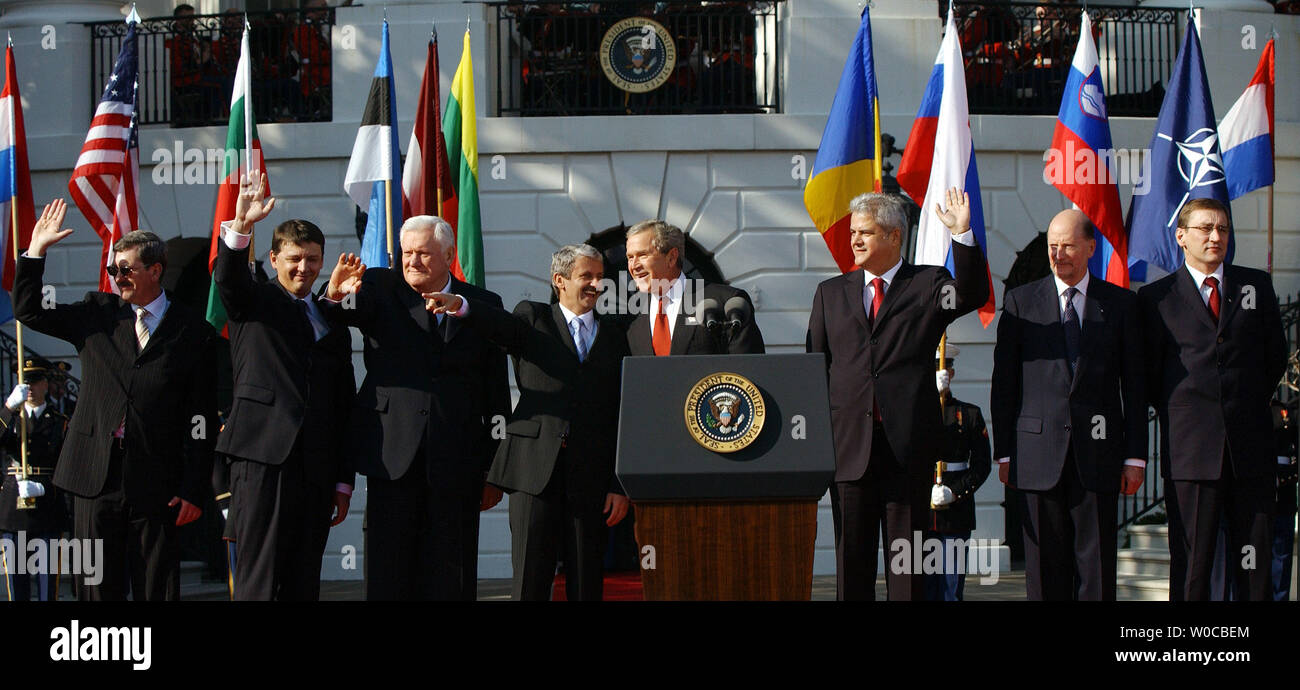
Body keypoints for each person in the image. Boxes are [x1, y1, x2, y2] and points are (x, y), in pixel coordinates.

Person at [14, 200, 218, 601]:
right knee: (96, 589)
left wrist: (194, 488)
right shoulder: (98, 312)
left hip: (157, 480)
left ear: (155, 270)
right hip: (93, 476)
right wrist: (36, 251)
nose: (117, 277)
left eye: (126, 269)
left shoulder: (192, 330)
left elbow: (201, 418)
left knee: (156, 585)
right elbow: (29, 311)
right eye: (113, 270)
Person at [807, 188, 988, 601]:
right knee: (852, 565)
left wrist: (963, 236)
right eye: (853, 232)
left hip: (907, 450)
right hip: (849, 450)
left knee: (908, 569)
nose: (854, 240)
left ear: (893, 236)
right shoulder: (830, 293)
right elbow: (815, 370)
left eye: (865, 232)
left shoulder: (927, 284)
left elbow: (973, 295)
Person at [427, 244, 631, 601]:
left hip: (591, 475)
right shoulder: (533, 318)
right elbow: (500, 326)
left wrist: (618, 483)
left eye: (601, 277)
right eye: (587, 276)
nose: (596, 284)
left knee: (587, 580)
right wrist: (462, 306)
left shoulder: (615, 335)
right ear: (559, 280)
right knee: (530, 578)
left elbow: (622, 411)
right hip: (534, 471)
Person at [326, 215, 510, 601]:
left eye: (423, 254)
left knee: (452, 573)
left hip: (457, 462)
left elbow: (495, 394)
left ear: (448, 255)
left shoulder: (482, 305)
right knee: (388, 571)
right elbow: (344, 315)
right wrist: (337, 295)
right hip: (392, 457)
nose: (412, 261)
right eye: (407, 253)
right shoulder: (380, 287)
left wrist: (495, 468)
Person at [212, 173, 356, 600]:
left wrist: (342, 481)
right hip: (263, 462)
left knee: (303, 579)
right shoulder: (254, 301)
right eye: (294, 258)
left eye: (313, 259)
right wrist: (240, 227)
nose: (303, 268)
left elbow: (341, 403)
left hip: (316, 470)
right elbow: (229, 281)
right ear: (273, 259)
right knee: (259, 580)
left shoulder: (330, 318)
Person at [991, 209, 1146, 601]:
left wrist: (1136, 457)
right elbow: (1005, 382)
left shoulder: (1122, 305)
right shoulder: (1020, 302)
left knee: (1096, 572)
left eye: (1069, 246)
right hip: (1036, 457)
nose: (1058, 254)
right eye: (1052, 247)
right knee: (1044, 573)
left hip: (1099, 456)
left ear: (1091, 248)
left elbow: (1136, 386)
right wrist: (1004, 451)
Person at [1138, 197, 1287, 601]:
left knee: (1253, 567)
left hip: (1250, 452)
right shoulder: (1155, 299)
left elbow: (1273, 357)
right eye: (1205, 228)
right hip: (1190, 452)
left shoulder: (1255, 286)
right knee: (1192, 568)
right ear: (1181, 237)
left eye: (1222, 228)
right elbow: (1148, 375)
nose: (1216, 236)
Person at [623, 219, 764, 356]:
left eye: (642, 255)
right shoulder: (631, 316)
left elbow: (747, 370)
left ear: (671, 257)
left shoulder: (728, 303)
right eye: (630, 257)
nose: (634, 266)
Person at [0, 358, 70, 601]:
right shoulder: (11, 419)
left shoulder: (60, 422)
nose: (30, 387)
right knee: (16, 588)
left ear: (45, 383)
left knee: (47, 587)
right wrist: (8, 407)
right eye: (25, 381)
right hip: (14, 511)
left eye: (36, 380)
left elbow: (70, 467)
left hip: (48, 508)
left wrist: (44, 487)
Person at [925, 345, 991, 601]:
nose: (940, 375)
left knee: (951, 590)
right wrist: (929, 401)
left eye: (943, 370)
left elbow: (982, 465)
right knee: (924, 588)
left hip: (956, 512)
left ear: (951, 373)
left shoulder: (970, 414)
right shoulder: (915, 413)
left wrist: (955, 492)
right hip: (923, 511)